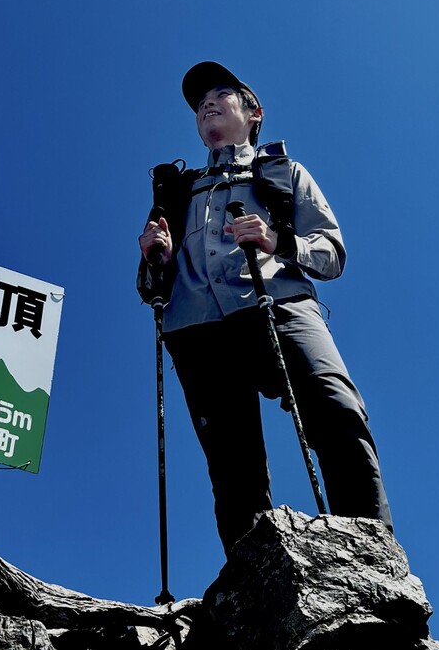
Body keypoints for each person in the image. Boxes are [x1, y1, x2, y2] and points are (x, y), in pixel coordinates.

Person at [138, 60, 392, 556]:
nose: (206, 105)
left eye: (220, 95)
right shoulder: (176, 193)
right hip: (197, 328)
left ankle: (371, 554)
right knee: (232, 466)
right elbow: (151, 288)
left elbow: (332, 254)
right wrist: (156, 259)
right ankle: (256, 577)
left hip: (279, 305)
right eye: (200, 103)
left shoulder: (283, 173)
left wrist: (278, 240)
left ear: (254, 113)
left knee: (335, 408)